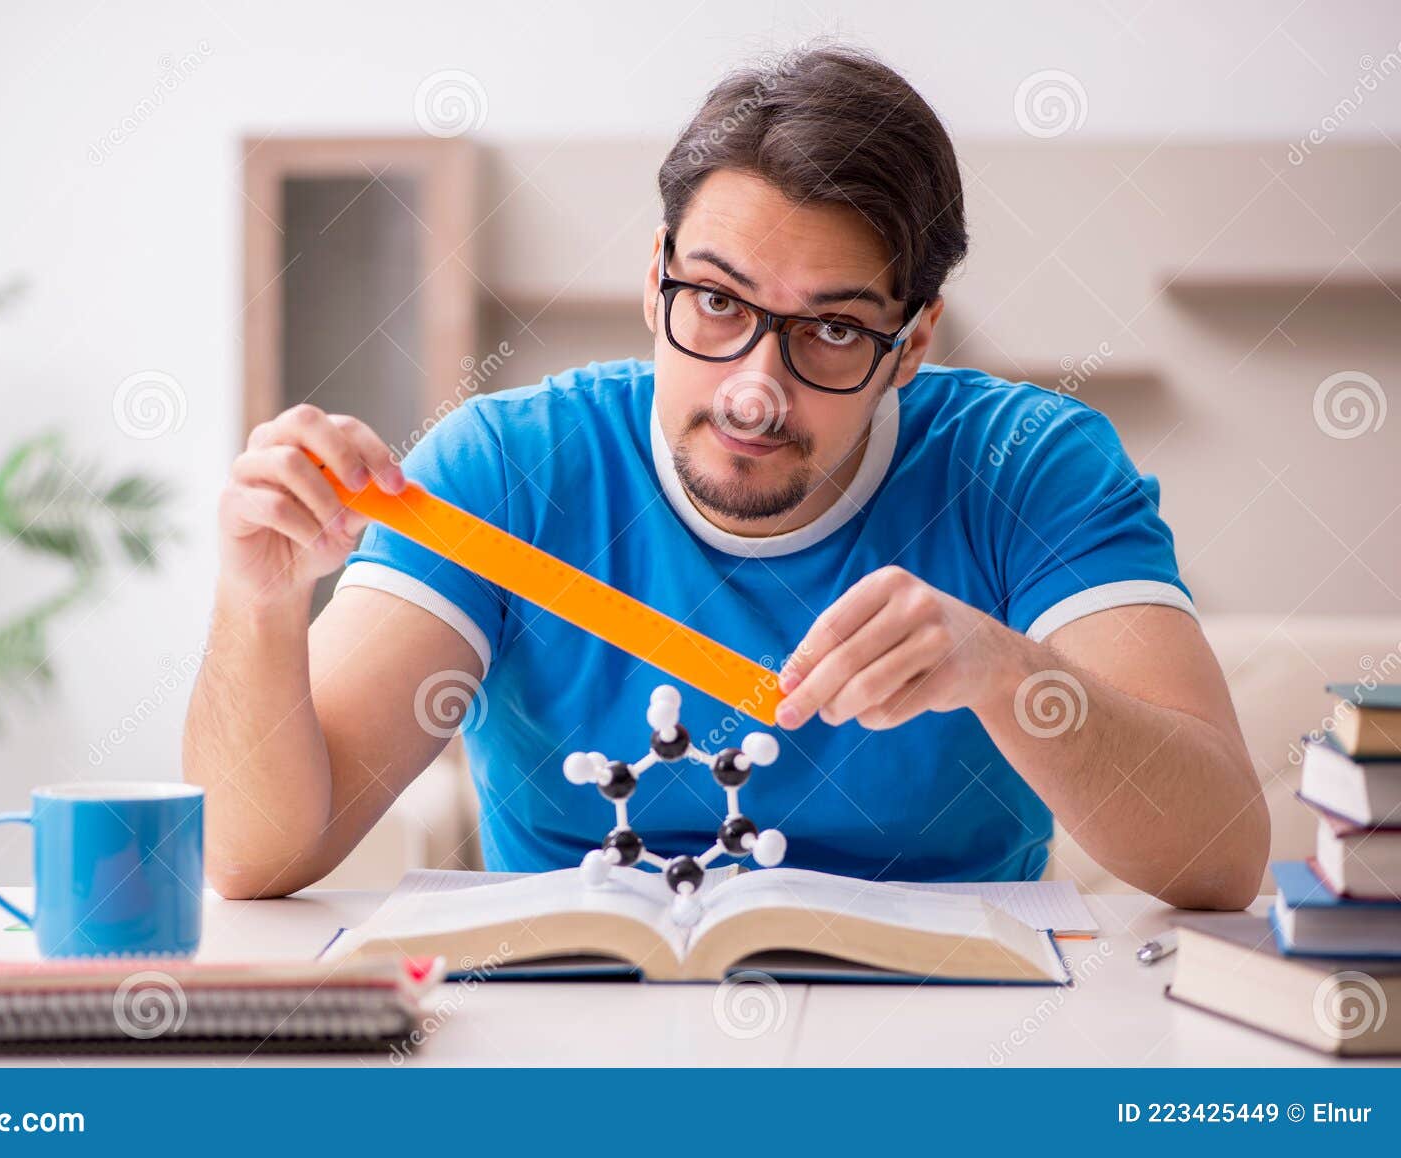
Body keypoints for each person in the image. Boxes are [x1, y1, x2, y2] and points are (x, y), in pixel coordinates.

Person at [183, 44, 1268, 907]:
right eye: (716, 300)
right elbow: (256, 859)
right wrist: (260, 605)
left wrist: (998, 668)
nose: (755, 390)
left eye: (834, 329)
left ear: (916, 339)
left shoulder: (1026, 468)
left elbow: (1218, 858)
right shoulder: (503, 469)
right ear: (655, 279)